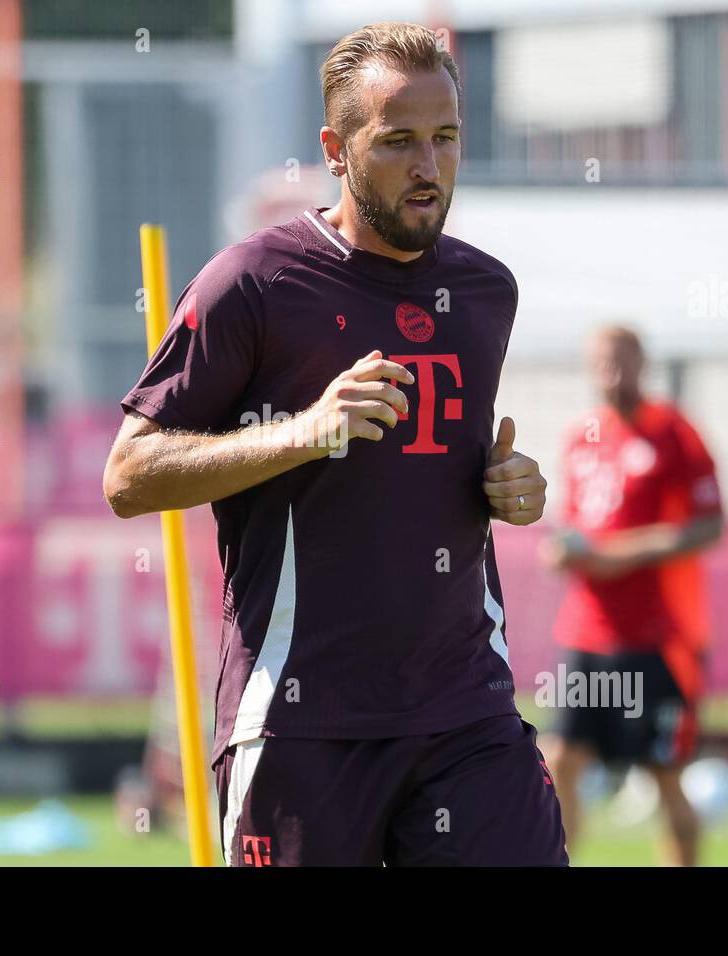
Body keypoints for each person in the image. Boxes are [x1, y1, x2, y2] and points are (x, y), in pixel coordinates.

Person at [104, 22, 565, 866]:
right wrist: (303, 433)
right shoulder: (253, 284)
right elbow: (130, 473)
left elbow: (444, 471)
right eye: (398, 142)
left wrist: (508, 487)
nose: (428, 166)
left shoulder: (485, 290)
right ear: (337, 149)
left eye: (445, 137)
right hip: (301, 722)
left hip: (465, 710)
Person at [539, 325, 724, 866]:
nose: (613, 372)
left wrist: (618, 555)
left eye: (623, 360)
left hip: (660, 636)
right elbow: (574, 524)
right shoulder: (581, 436)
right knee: (560, 758)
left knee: (664, 773)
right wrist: (563, 551)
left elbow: (709, 525)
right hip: (588, 632)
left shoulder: (674, 432)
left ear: (643, 363)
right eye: (602, 361)